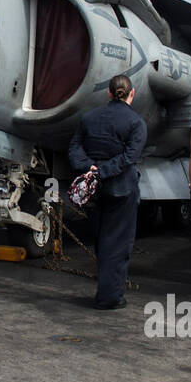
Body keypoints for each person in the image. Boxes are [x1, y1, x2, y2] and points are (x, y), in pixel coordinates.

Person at [68, 74, 146, 309]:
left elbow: (74, 148)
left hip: (93, 189)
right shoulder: (136, 123)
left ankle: (106, 290)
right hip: (121, 188)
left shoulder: (89, 118)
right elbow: (129, 158)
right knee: (118, 244)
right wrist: (104, 170)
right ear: (132, 93)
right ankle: (110, 297)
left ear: (109, 93)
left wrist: (89, 167)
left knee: (102, 240)